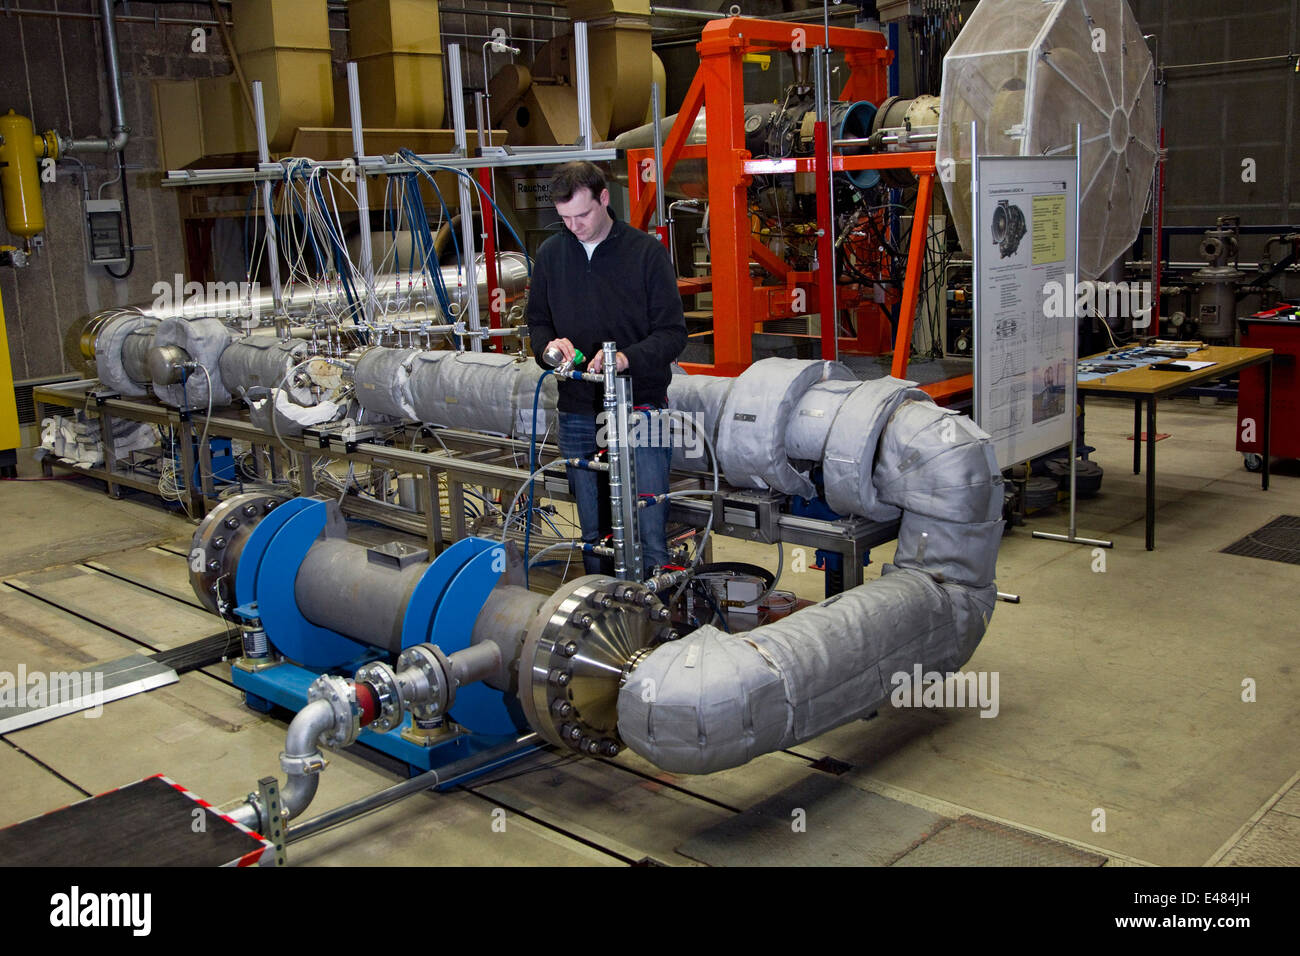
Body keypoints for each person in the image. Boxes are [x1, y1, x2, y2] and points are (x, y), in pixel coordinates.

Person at [526, 161, 688, 574]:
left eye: (582, 215)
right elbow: (538, 322)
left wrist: (625, 358)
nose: (574, 226)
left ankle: (652, 606)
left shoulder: (645, 253)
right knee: (593, 527)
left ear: (604, 199)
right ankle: (601, 611)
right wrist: (550, 348)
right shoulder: (551, 255)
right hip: (578, 407)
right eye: (565, 219)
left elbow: (673, 333)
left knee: (648, 519)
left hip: (642, 404)